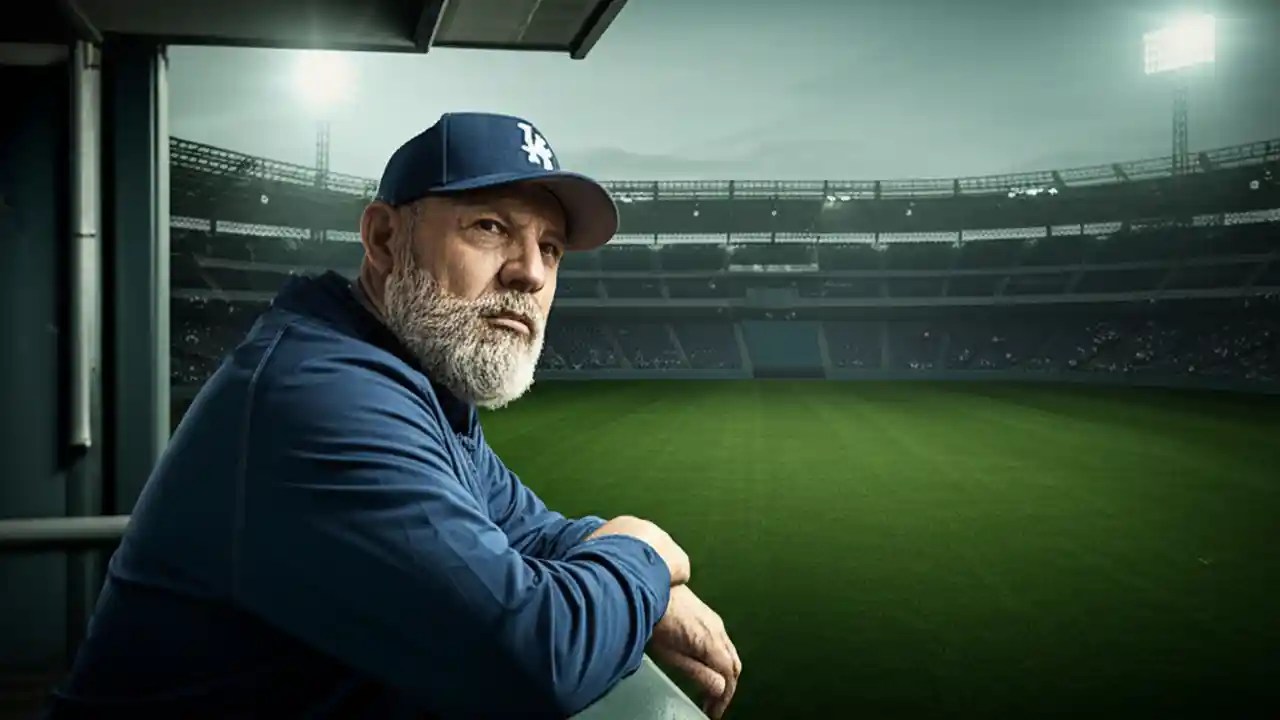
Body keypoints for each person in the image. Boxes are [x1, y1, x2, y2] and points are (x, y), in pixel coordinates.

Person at [44, 112, 741, 719]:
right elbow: (531, 658)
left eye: (550, 248)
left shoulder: (411, 383)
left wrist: (622, 568)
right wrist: (644, 556)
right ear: (382, 241)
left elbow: (534, 533)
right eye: (491, 227)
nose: (530, 272)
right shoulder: (321, 395)